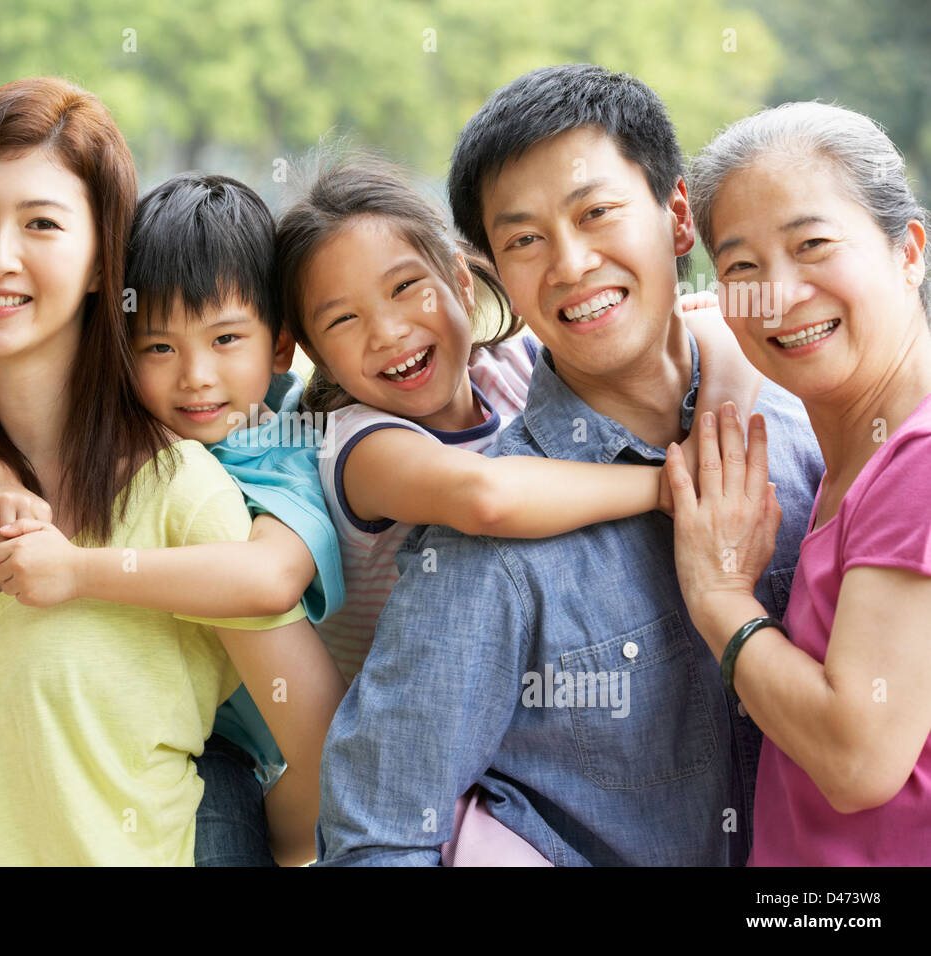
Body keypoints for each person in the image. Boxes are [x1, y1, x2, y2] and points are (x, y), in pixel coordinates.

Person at [316, 63, 825, 866]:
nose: (572, 263)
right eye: (524, 240)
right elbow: (374, 841)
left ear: (678, 215)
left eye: (597, 213)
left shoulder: (803, 426)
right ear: (497, 273)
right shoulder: (484, 551)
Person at [0, 78, 325, 865]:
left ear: (100, 264)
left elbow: (322, 743)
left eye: (42, 223)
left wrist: (251, 845)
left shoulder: (181, 491)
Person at [274, 154, 759, 683]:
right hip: (424, 707)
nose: (387, 332)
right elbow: (486, 498)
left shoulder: (510, 364)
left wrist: (711, 443)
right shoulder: (359, 445)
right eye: (343, 319)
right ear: (315, 353)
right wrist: (670, 484)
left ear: (461, 282)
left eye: (406, 288)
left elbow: (712, 321)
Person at [667, 101, 931, 865]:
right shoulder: (851, 447)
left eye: (813, 244)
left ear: (908, 249)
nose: (778, 296)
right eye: (742, 267)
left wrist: (721, 602)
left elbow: (857, 760)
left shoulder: (915, 460)